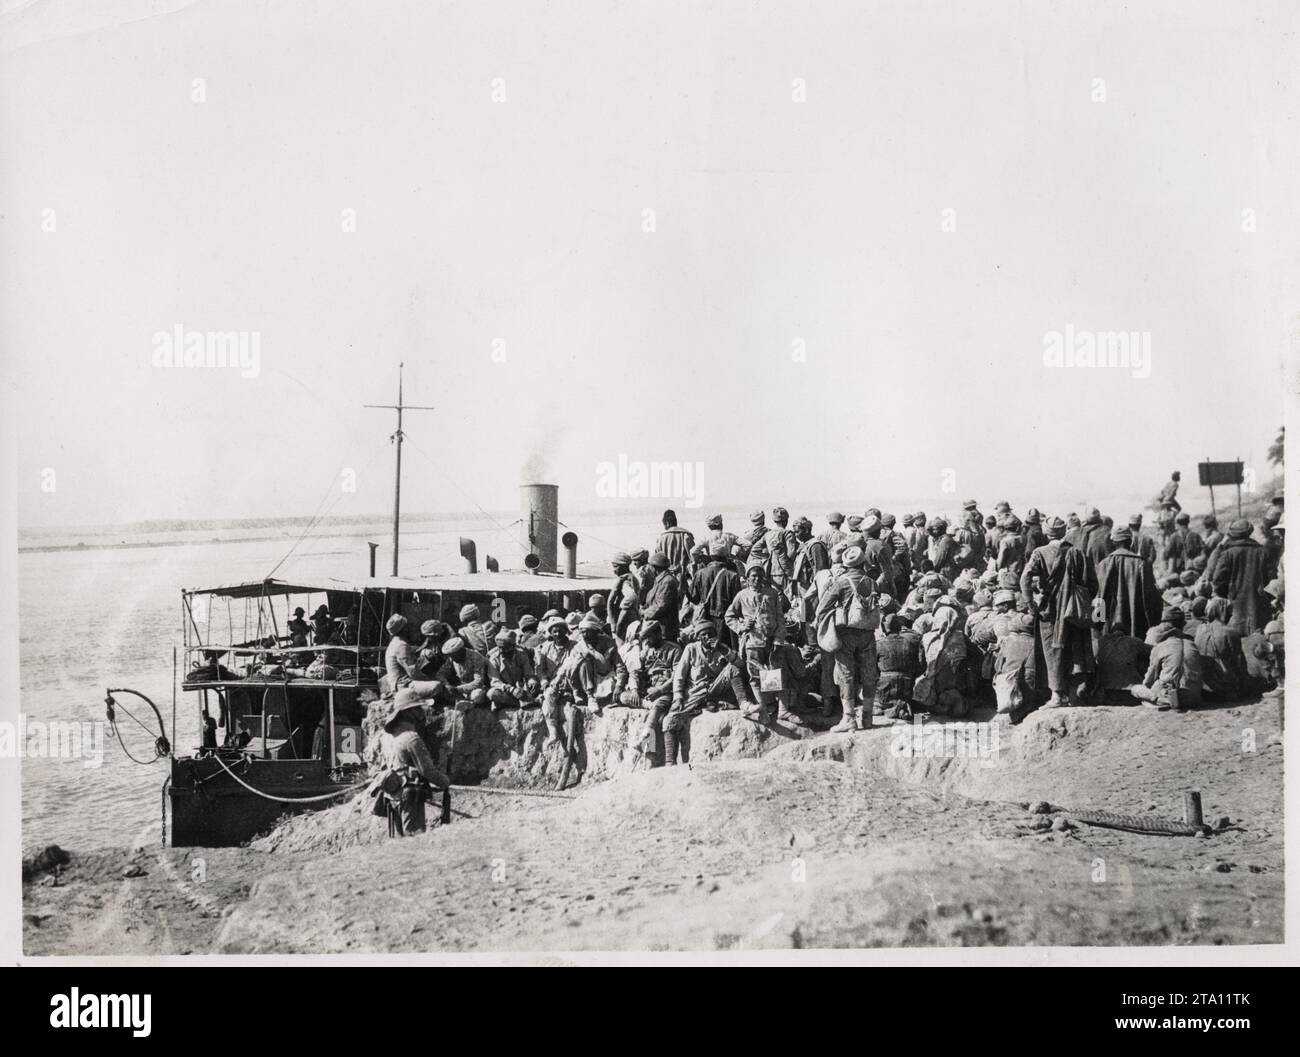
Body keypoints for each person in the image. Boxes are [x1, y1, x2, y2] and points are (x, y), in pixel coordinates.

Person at [1020, 515, 1096, 708]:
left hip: (1050, 609)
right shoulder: (1078, 552)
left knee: (1053, 650)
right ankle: (1075, 691)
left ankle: (1057, 695)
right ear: (1064, 532)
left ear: (1046, 533)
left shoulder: (1040, 552)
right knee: (1074, 647)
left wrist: (1031, 603)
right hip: (1074, 610)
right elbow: (1092, 583)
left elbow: (1025, 579)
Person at [662, 620, 748, 765]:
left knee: (732, 668)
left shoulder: (722, 648)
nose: (708, 637)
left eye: (711, 634)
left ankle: (744, 703)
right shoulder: (691, 649)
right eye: (704, 635)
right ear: (698, 637)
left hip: (715, 691)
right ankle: (670, 762)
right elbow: (679, 676)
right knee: (669, 720)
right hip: (694, 694)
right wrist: (678, 697)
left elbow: (740, 665)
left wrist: (723, 649)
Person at [814, 545, 880, 733]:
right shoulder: (872, 582)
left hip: (846, 634)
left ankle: (849, 719)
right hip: (868, 633)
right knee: (869, 673)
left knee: (846, 674)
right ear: (861, 563)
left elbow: (822, 608)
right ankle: (867, 717)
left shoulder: (841, 582)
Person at [726, 562, 796, 724]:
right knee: (757, 677)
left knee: (775, 673)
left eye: (759, 576)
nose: (757, 579)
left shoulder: (771, 594)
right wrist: (741, 627)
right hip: (752, 642)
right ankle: (763, 710)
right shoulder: (742, 595)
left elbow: (780, 619)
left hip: (771, 642)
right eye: (753, 576)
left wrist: (779, 638)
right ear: (748, 578)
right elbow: (729, 616)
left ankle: (783, 711)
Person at [374, 691, 451, 836]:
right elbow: (428, 772)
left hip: (392, 795)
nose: (422, 711)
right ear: (408, 712)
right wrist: (445, 781)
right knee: (414, 840)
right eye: (418, 708)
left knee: (399, 843)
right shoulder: (412, 738)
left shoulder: (388, 737)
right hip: (408, 795)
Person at [1095, 526, 1162, 640]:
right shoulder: (1142, 564)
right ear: (1130, 542)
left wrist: (1097, 624)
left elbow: (1099, 598)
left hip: (1110, 627)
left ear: (1113, 542)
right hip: (1137, 627)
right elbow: (1150, 599)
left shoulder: (1103, 565)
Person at [1129, 607, 1202, 711]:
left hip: (1169, 695)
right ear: (1182, 625)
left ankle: (1163, 701)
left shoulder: (1160, 647)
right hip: (1194, 697)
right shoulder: (1192, 644)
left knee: (1135, 688)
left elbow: (1148, 681)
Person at [1212, 518, 1271, 635]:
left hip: (1235, 605)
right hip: (1259, 604)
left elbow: (1218, 580)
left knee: (1237, 639)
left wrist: (1226, 595)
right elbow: (1269, 579)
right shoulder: (1262, 551)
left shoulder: (1227, 554)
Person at [1194, 598, 1248, 701]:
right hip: (1223, 685)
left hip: (1203, 684)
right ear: (1222, 612)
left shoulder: (1200, 629)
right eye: (1229, 612)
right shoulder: (1230, 632)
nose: (1231, 615)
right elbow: (1239, 662)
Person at [690, 542, 742, 645]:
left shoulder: (700, 574)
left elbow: (694, 598)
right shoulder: (733, 576)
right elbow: (738, 604)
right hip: (727, 623)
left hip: (705, 621)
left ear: (710, 556)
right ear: (725, 557)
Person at [874, 614, 924, 719]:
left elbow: (871, 669)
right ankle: (901, 707)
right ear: (900, 627)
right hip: (906, 688)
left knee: (876, 700)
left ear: (884, 628)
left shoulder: (878, 644)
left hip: (884, 688)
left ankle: (885, 707)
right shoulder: (910, 644)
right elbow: (920, 666)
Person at [486, 629, 536, 710]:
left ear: (513, 646)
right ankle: (519, 703)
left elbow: (528, 673)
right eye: (500, 648)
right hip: (506, 691)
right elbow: (495, 682)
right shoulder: (494, 659)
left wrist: (532, 681)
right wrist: (511, 689)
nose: (502, 651)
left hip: (521, 690)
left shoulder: (522, 655)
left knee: (534, 685)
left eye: (505, 648)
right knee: (492, 693)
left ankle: (525, 700)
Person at [434, 636, 489, 709]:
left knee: (476, 695)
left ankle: (471, 705)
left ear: (461, 650)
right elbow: (440, 674)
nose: (453, 658)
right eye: (451, 656)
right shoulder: (452, 659)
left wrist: (457, 689)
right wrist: (447, 685)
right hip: (460, 688)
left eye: (454, 655)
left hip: (476, 688)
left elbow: (479, 682)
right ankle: (462, 702)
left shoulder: (476, 657)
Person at [641, 550, 682, 641]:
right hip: (658, 629)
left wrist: (644, 613)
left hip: (665, 631)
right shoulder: (660, 580)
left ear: (654, 567)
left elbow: (661, 606)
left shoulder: (667, 581)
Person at [607, 552, 640, 640]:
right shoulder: (624, 578)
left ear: (624, 566)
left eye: (615, 566)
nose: (614, 570)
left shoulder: (626, 582)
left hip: (625, 623)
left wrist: (617, 626)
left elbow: (630, 600)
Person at [654, 509, 695, 580]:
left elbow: (657, 561)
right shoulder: (685, 535)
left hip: (666, 578)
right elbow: (693, 556)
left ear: (667, 523)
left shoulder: (661, 539)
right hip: (684, 578)